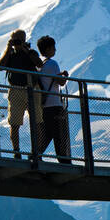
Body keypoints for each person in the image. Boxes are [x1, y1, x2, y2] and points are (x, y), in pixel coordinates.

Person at [0, 29, 43, 159]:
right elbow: (0, 66)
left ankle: (36, 152)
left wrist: (24, 50)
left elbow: (39, 64)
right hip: (16, 89)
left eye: (19, 39)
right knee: (14, 123)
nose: (17, 42)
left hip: (32, 89)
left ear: (24, 40)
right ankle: (16, 151)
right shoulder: (10, 54)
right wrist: (8, 49)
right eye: (14, 39)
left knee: (37, 122)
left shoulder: (31, 52)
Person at [36, 36, 72, 164]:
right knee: (60, 134)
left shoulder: (40, 65)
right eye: (53, 47)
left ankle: (36, 153)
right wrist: (65, 76)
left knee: (48, 133)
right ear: (49, 48)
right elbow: (61, 82)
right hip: (54, 104)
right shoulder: (52, 63)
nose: (55, 50)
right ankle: (64, 160)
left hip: (44, 106)